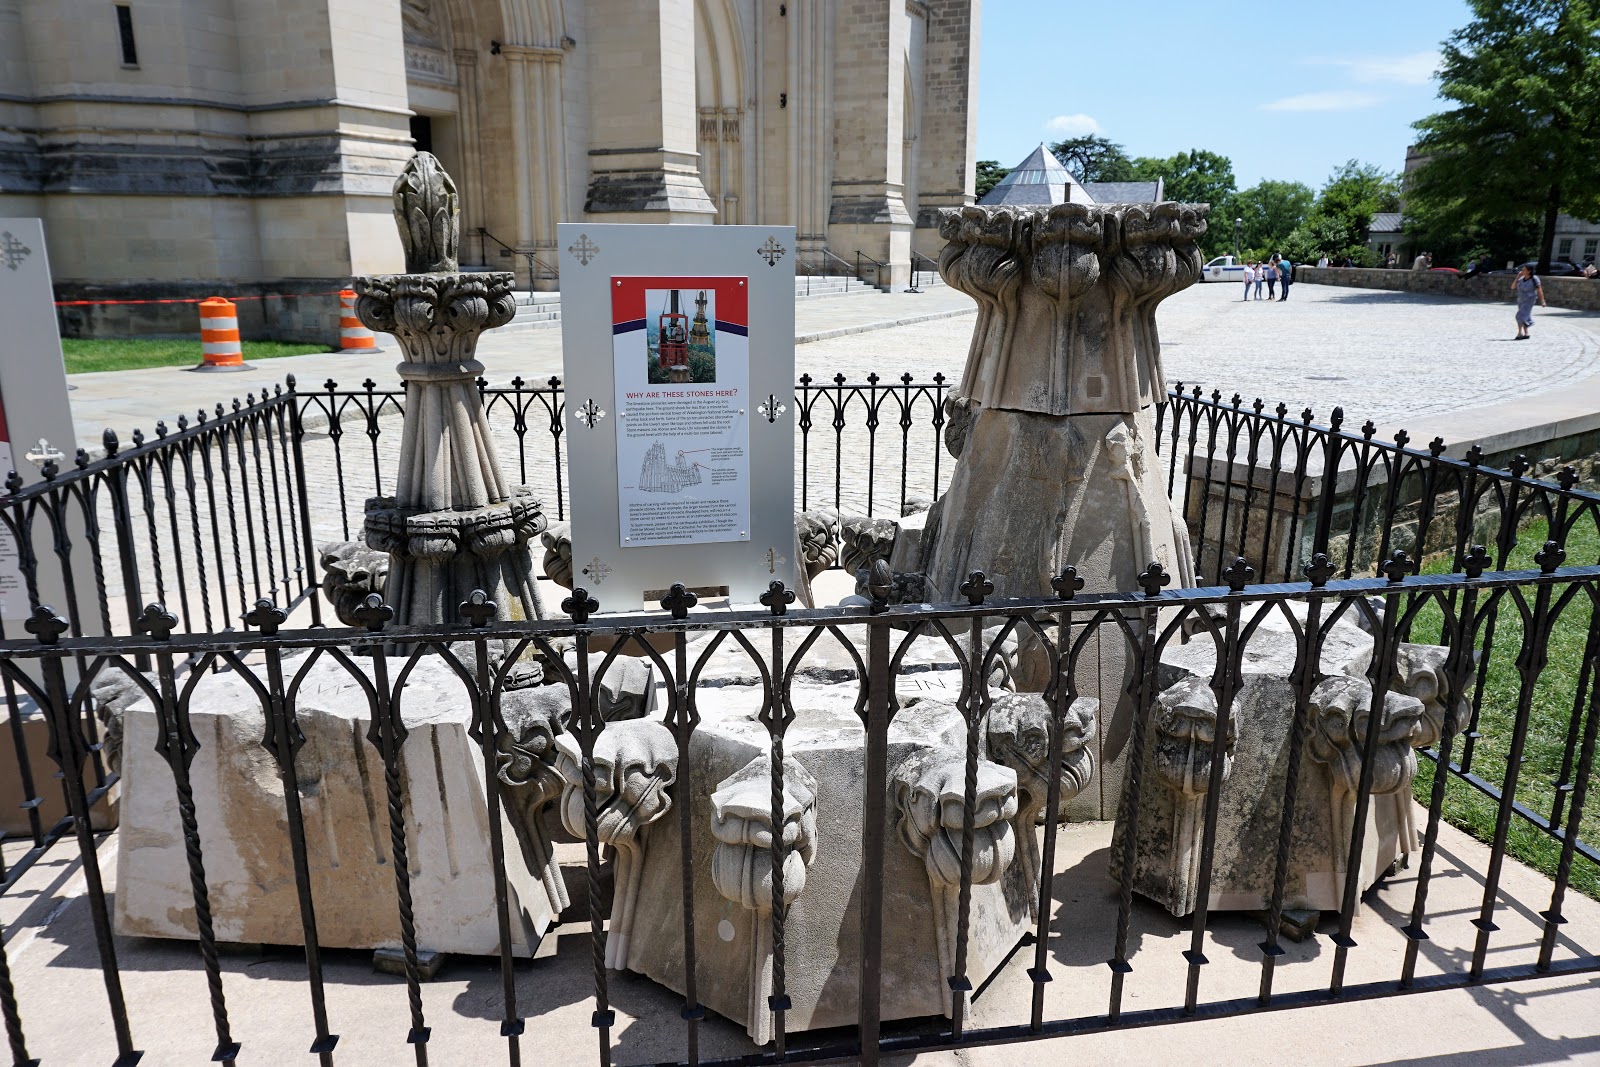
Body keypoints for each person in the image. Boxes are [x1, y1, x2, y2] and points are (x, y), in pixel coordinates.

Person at [1511, 264, 1546, 339]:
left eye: (1524, 270)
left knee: (1519, 316)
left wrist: (1542, 301)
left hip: (1529, 300)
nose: (1522, 271)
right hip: (1521, 300)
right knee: (1525, 316)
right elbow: (1513, 287)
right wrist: (1517, 277)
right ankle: (1526, 333)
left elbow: (1539, 290)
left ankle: (1520, 333)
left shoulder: (1534, 279)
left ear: (1529, 271)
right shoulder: (1521, 279)